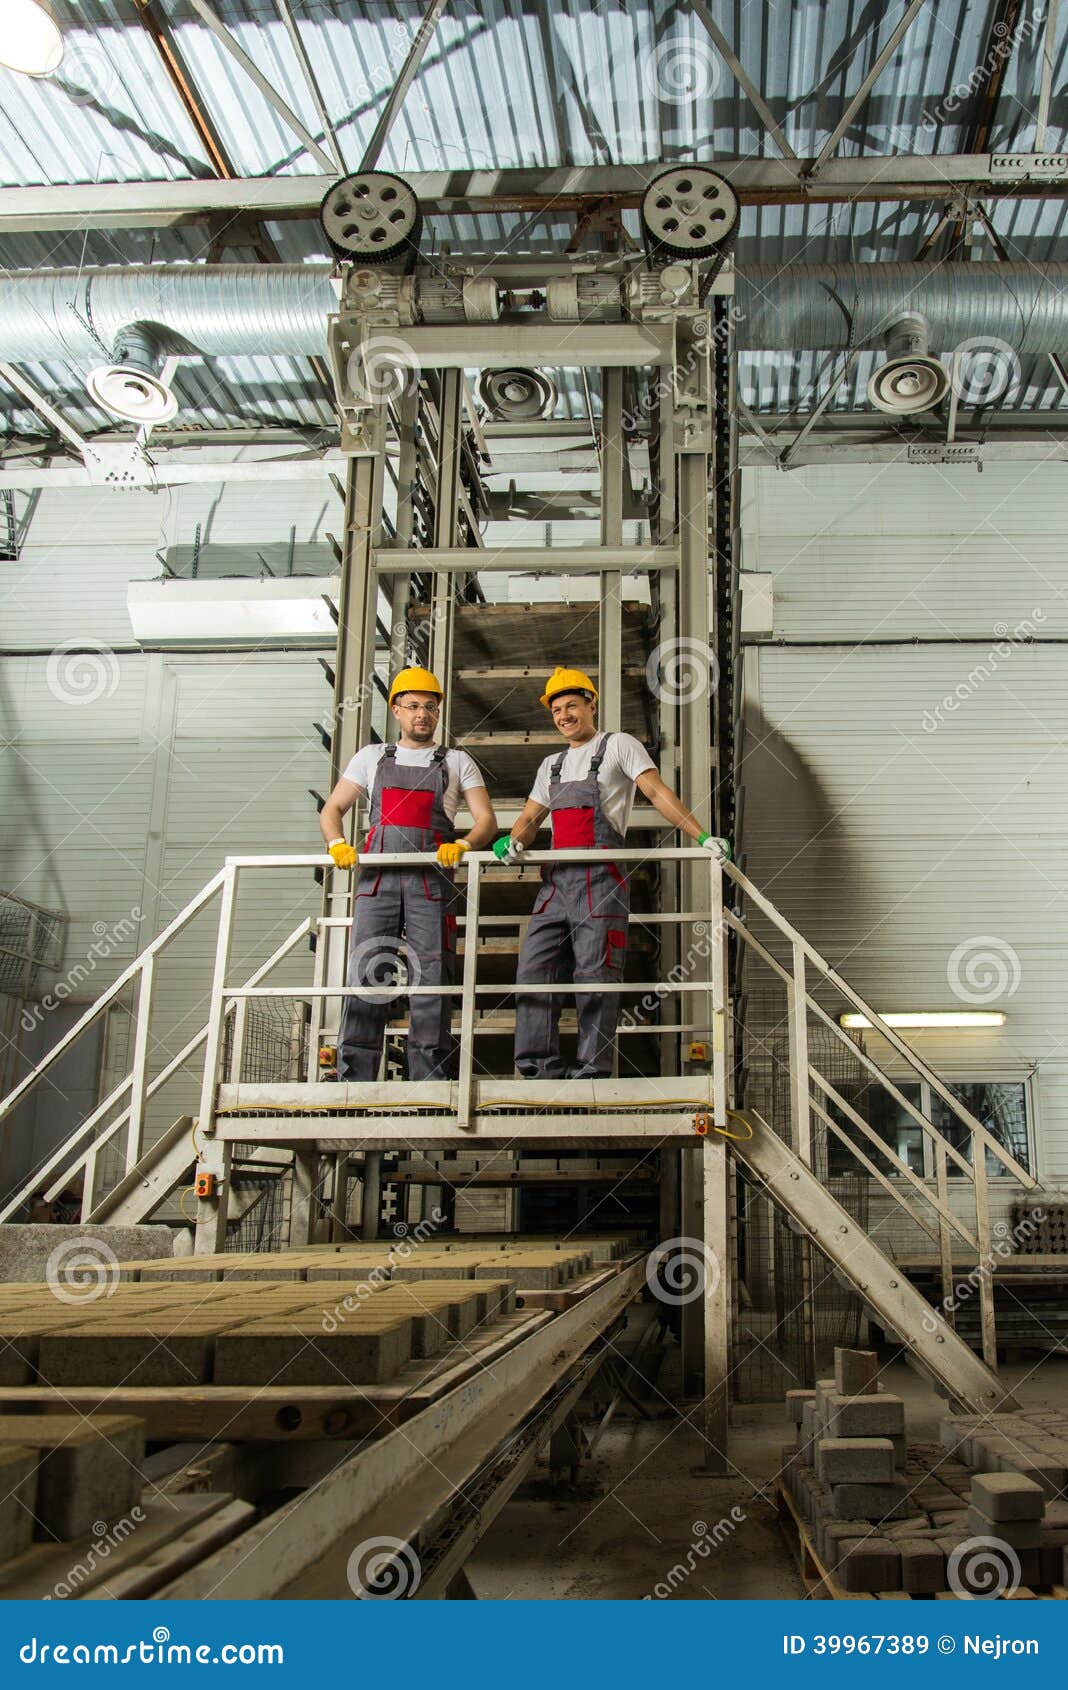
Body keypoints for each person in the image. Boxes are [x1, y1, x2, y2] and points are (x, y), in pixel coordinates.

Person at [493, 666, 726, 1080]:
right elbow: (530, 817)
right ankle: (537, 1069)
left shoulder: (619, 745)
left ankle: (591, 1071)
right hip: (556, 881)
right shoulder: (551, 764)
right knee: (533, 971)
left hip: (600, 879)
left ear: (591, 705)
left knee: (595, 976)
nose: (564, 715)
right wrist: (514, 840)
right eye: (556, 710)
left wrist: (702, 836)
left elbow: (657, 793)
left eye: (571, 706)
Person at [319, 666, 497, 1081]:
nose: (423, 714)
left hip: (431, 882)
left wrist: (465, 843)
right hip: (377, 879)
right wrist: (336, 844)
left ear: (438, 713)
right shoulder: (371, 757)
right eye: (414, 706)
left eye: (430, 708)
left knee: (431, 974)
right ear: (396, 709)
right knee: (368, 971)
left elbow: (486, 820)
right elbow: (332, 810)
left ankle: (429, 1082)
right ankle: (354, 1079)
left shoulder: (456, 761)